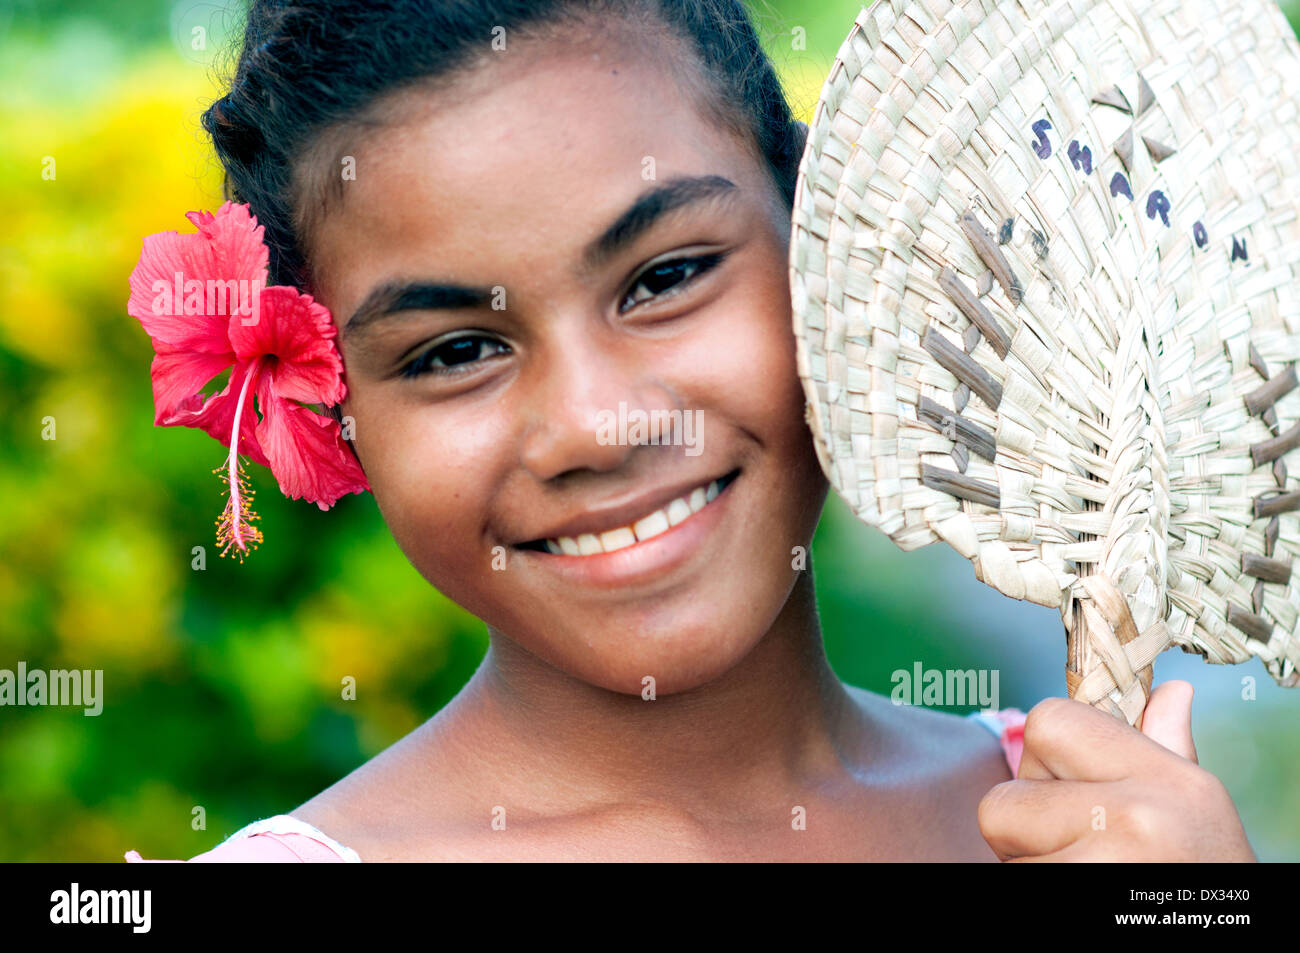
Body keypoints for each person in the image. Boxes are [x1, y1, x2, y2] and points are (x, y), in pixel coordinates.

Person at [125, 0, 1255, 862]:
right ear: (331, 410)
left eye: (664, 277)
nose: (593, 424)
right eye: (454, 350)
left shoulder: (1073, 809)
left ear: (829, 240)